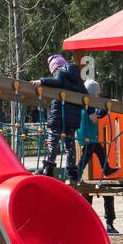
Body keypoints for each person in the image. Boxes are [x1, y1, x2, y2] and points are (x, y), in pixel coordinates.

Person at [76, 79, 119, 233]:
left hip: (91, 139)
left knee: (95, 153)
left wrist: (107, 106)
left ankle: (104, 169)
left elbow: (98, 114)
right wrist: (107, 108)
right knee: (86, 158)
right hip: (88, 139)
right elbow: (96, 116)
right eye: (96, 94)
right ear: (91, 94)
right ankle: (78, 173)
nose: (97, 97)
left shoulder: (89, 105)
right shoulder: (86, 106)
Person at [37, 54, 86, 183]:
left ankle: (48, 168)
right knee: (69, 144)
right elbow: (85, 95)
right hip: (73, 117)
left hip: (59, 114)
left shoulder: (61, 72)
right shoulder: (78, 78)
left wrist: (42, 81)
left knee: (53, 141)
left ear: (55, 68)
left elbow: (57, 82)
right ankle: (72, 173)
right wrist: (91, 111)